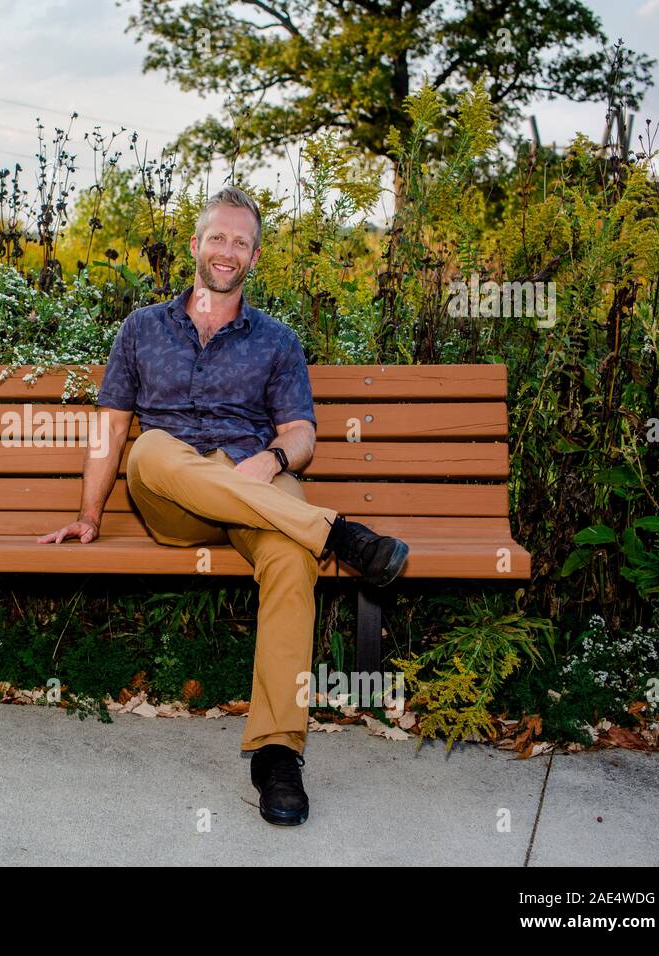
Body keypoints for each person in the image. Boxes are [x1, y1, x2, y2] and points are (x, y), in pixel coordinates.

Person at [37, 185, 408, 827]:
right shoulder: (143, 328)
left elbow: (301, 433)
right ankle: (339, 535)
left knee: (293, 560)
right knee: (150, 448)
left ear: (254, 257)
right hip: (174, 494)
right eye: (218, 237)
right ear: (196, 246)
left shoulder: (277, 341)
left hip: (257, 485)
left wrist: (274, 460)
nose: (227, 250)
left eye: (240, 241)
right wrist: (91, 515)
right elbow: (113, 430)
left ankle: (276, 754)